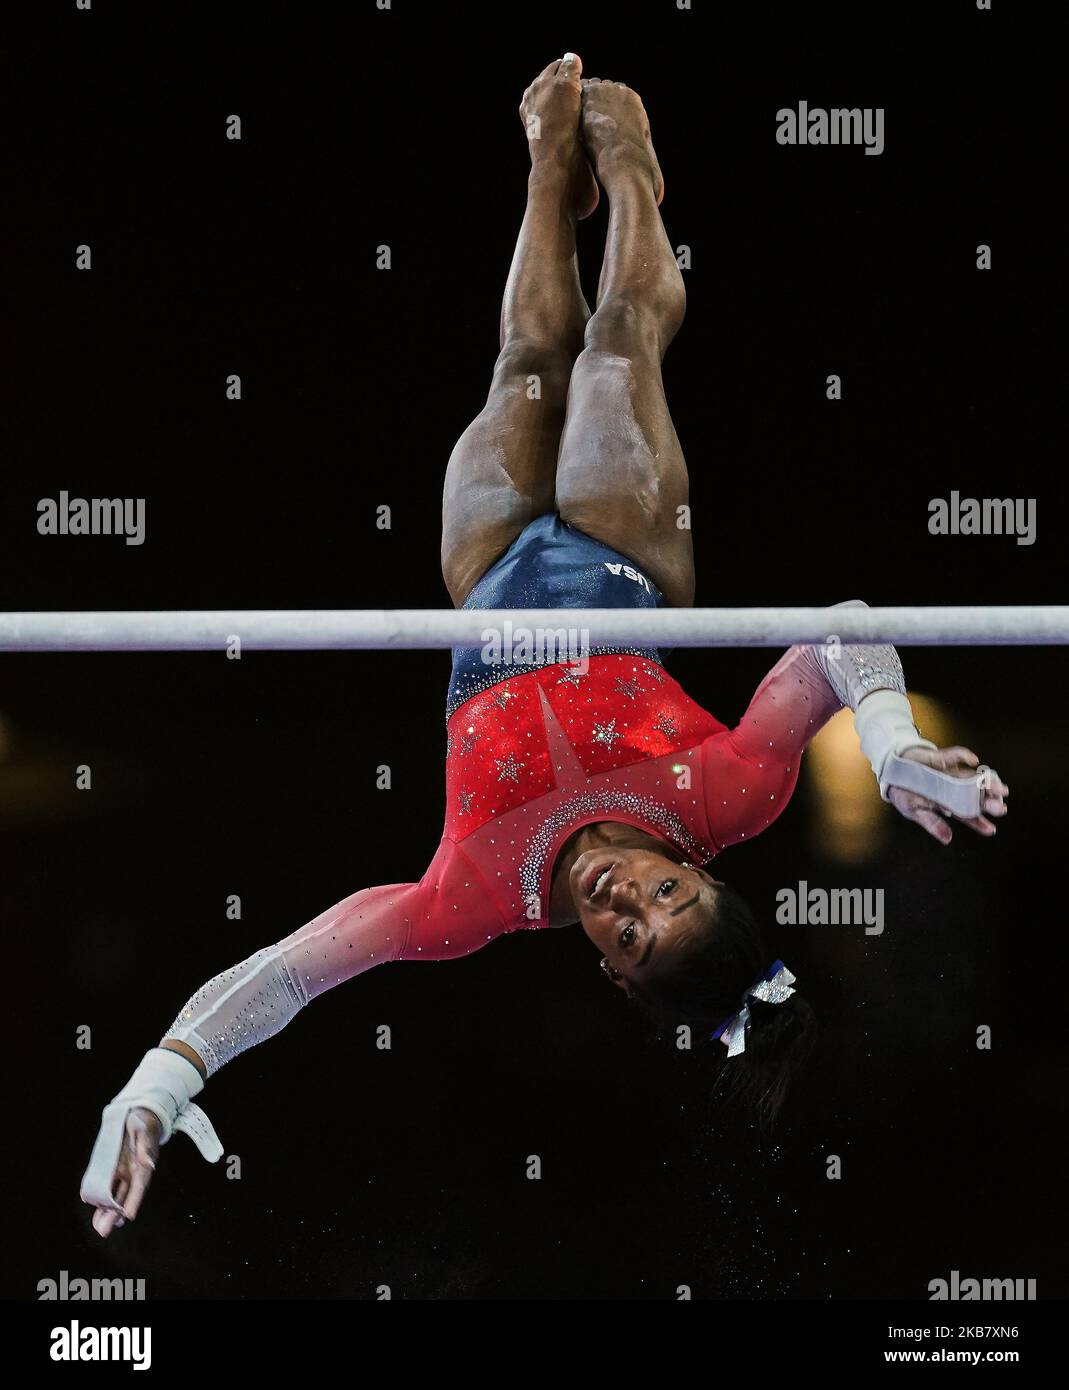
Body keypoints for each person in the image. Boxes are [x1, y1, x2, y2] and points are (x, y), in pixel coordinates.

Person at [80, 56, 1008, 1236]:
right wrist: (887, 744)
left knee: (524, 362)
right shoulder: (728, 795)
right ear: (700, 872)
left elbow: (294, 969)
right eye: (668, 894)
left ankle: (542, 167)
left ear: (610, 969)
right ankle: (628, 174)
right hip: (624, 558)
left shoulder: (471, 896)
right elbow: (839, 635)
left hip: (489, 580)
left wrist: (163, 1076)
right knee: (615, 348)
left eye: (629, 930)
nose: (629, 895)